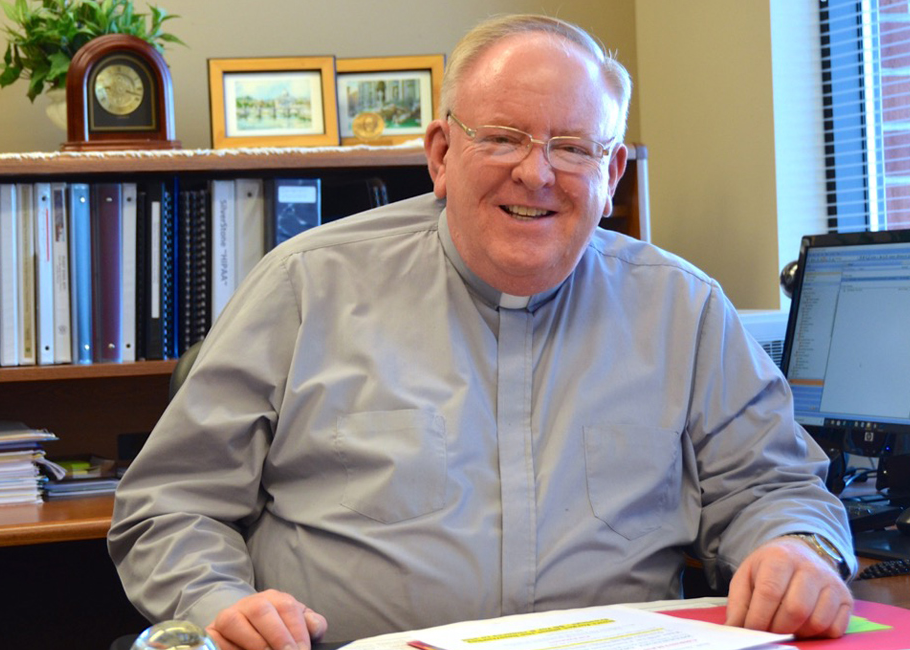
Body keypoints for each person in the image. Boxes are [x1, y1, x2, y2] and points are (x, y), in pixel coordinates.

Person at [108, 13, 855, 650]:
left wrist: (795, 546)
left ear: (613, 172)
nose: (537, 175)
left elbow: (773, 485)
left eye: (572, 147)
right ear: (440, 155)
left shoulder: (685, 310)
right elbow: (172, 505)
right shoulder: (307, 285)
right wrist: (221, 607)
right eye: (503, 138)